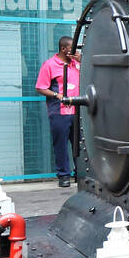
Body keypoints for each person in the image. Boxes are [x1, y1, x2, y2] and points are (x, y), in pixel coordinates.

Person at [35, 36, 81, 187]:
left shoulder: (77, 64)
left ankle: (80, 174)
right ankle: (63, 176)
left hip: (77, 111)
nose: (75, 51)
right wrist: (57, 95)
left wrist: (82, 61)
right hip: (59, 112)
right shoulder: (49, 65)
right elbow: (40, 87)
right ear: (63, 49)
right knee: (60, 144)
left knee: (80, 144)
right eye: (72, 48)